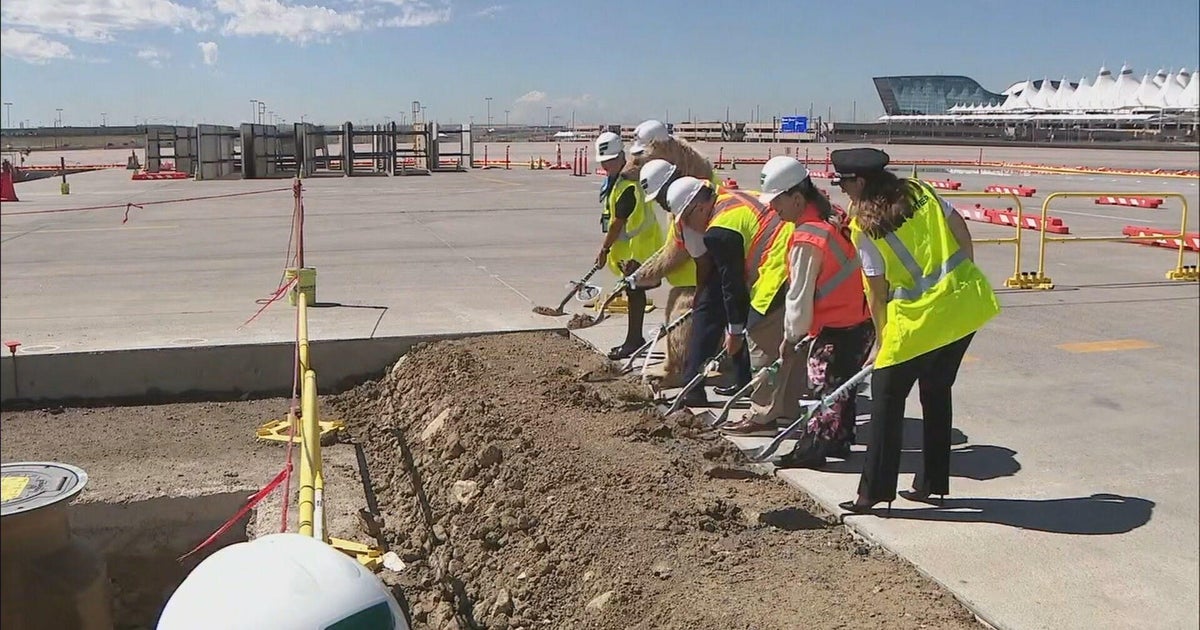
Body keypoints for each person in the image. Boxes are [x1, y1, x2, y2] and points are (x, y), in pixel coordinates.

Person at [831, 148, 1001, 514]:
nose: (842, 191)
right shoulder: (922, 192)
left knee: (887, 399)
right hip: (964, 305)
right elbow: (961, 231)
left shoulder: (864, 228)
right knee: (937, 390)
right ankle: (933, 483)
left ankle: (874, 491)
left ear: (859, 182)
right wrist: (958, 282)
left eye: (843, 183)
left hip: (920, 319)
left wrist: (880, 342)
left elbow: (876, 293)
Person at [755, 156, 874, 468]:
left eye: (777, 202)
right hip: (861, 321)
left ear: (796, 198)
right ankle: (841, 440)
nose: (772, 209)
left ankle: (811, 449)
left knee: (822, 391)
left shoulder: (808, 236)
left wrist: (790, 338)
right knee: (843, 388)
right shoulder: (832, 216)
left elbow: (800, 294)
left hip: (836, 325)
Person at [666, 176, 793, 412]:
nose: (687, 225)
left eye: (686, 218)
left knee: (759, 330)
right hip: (783, 250)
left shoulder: (719, 232)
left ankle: (767, 410)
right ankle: (735, 382)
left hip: (781, 262)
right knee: (723, 310)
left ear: (700, 207)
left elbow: (732, 285)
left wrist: (735, 331)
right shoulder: (726, 198)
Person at [593, 131, 665, 360]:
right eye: (603, 161)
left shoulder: (627, 186)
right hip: (631, 249)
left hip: (638, 249)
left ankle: (633, 341)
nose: (605, 165)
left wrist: (604, 249)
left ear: (621, 157)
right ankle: (634, 339)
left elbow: (617, 222)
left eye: (610, 160)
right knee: (634, 293)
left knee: (635, 294)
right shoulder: (617, 181)